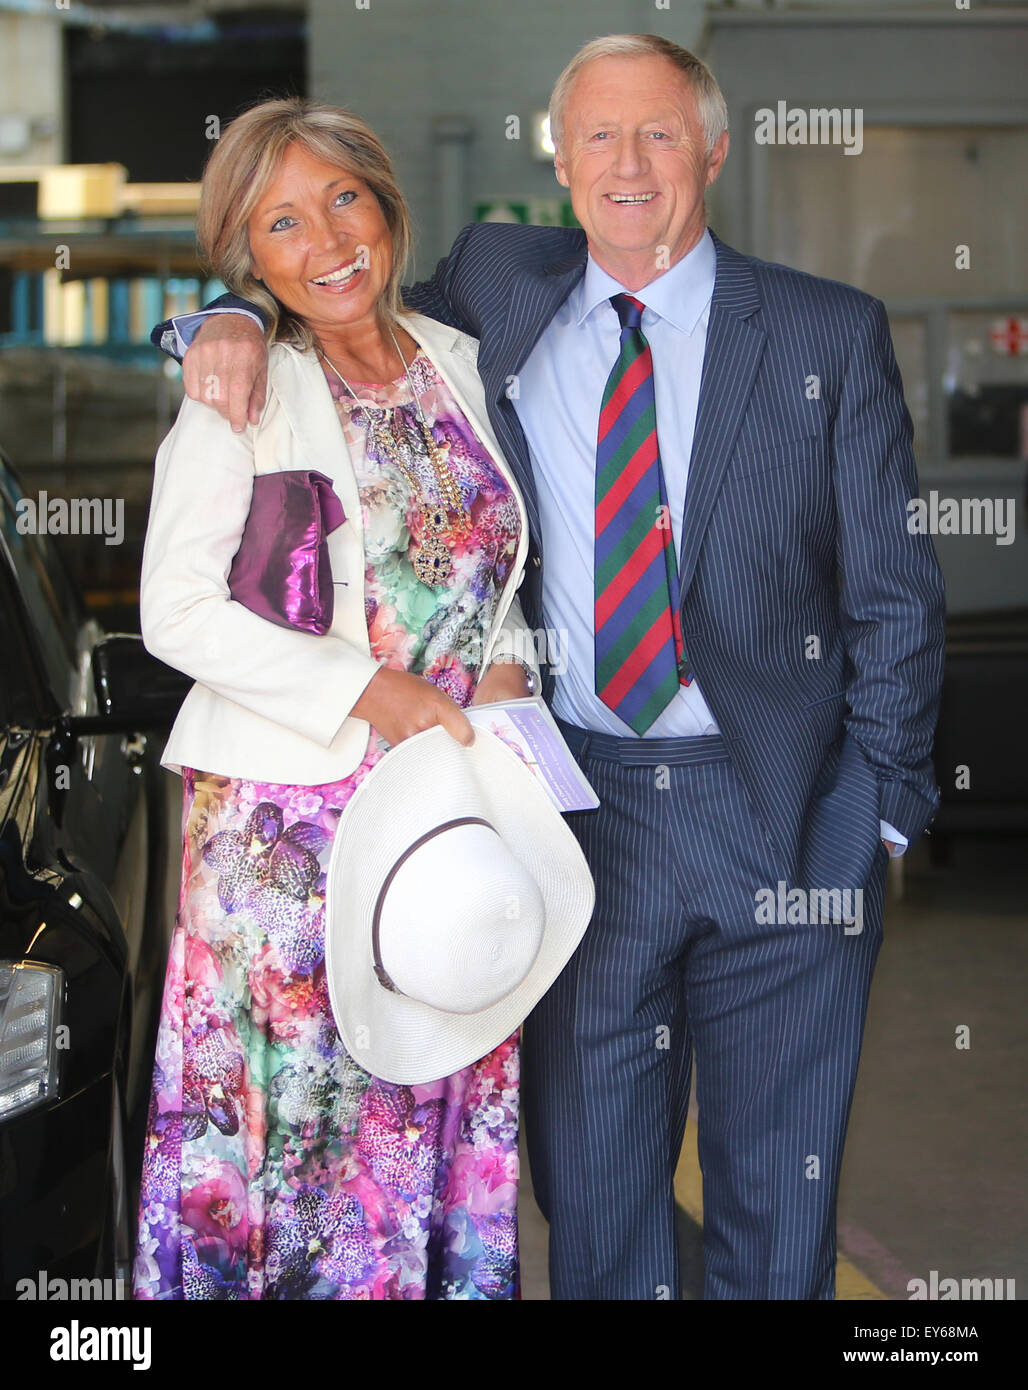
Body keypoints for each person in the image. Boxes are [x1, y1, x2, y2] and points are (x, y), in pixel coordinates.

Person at [154, 36, 946, 1300]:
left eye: (658, 135)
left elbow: (897, 593)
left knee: (776, 1198)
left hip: (782, 812)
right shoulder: (495, 290)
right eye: (598, 138)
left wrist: (880, 817)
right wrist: (225, 313)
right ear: (557, 159)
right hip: (575, 810)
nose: (627, 165)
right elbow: (309, 286)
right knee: (592, 1197)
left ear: (713, 150)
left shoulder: (821, 330)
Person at [133, 97, 541, 1301]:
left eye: (342, 200)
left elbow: (486, 574)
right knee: (299, 1149)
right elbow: (178, 613)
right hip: (286, 852)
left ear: (386, 199)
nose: (326, 243)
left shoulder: (456, 365)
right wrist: (371, 689)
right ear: (247, 260)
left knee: (430, 1106)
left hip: (444, 830)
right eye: (281, 224)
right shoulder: (241, 391)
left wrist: (506, 668)